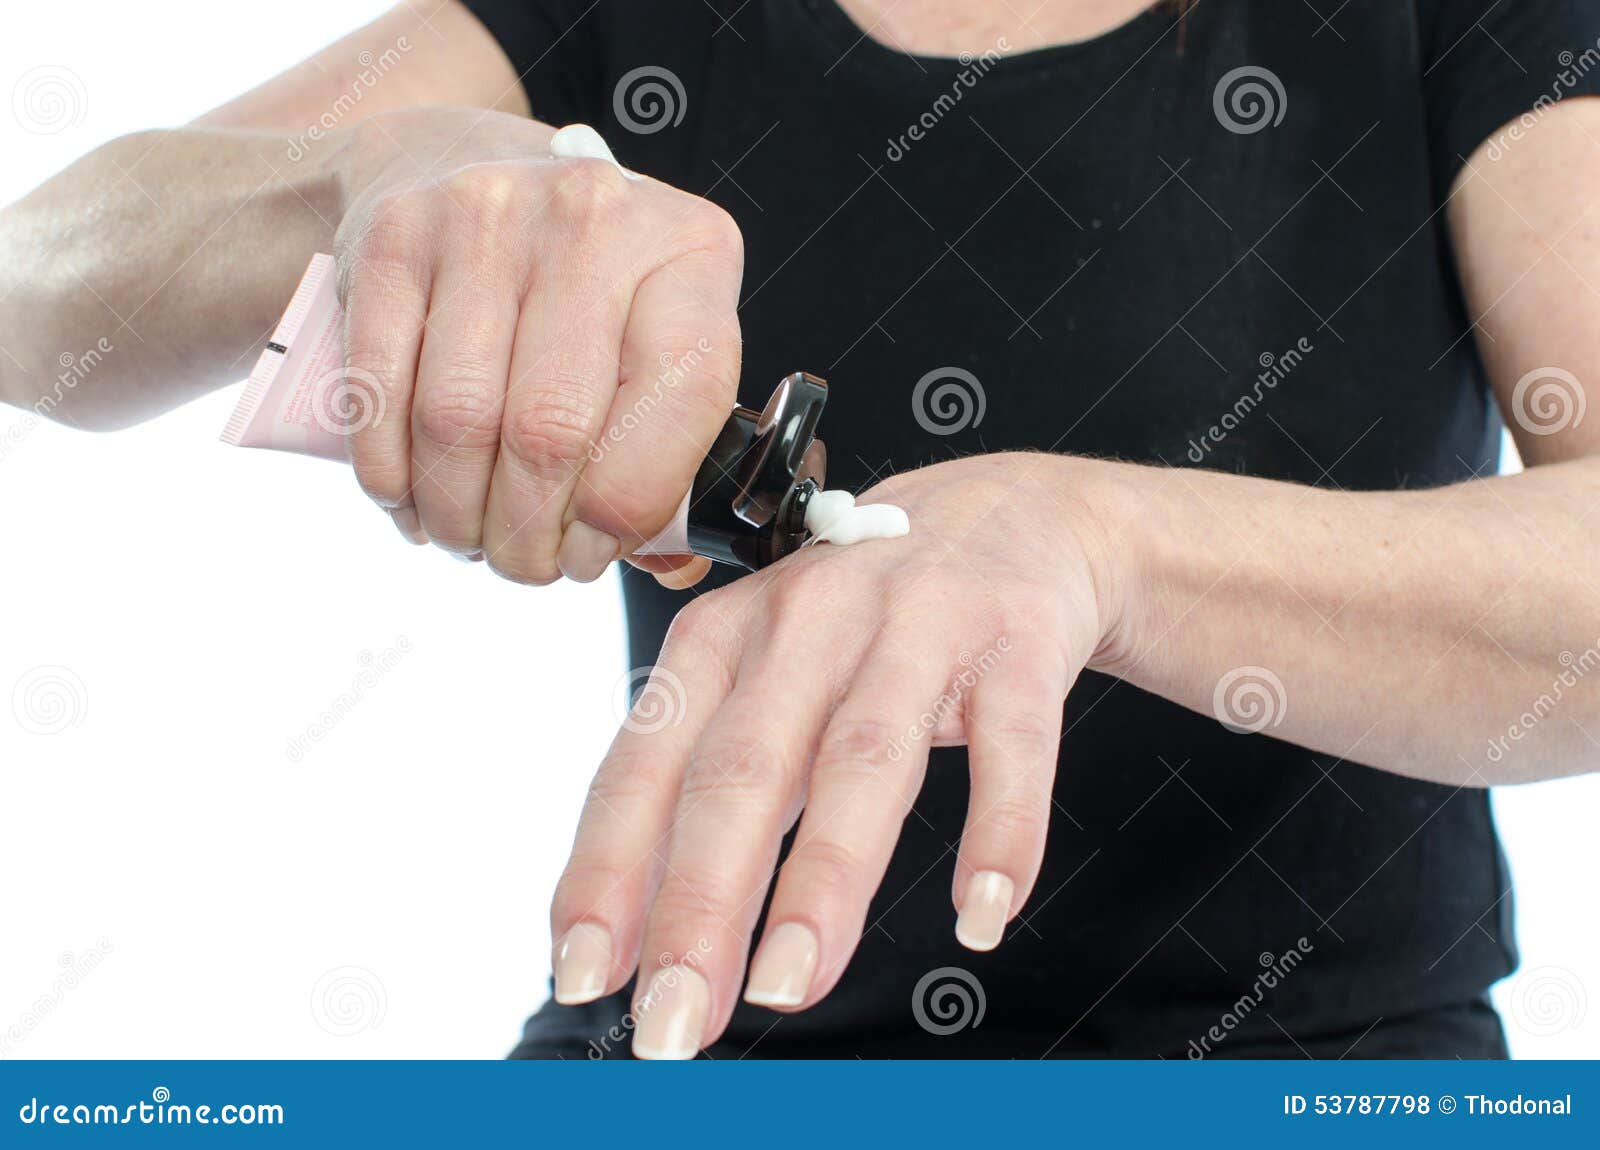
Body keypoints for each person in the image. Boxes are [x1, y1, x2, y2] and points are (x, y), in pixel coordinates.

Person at [4, 0, 1598, 1059]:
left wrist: (1098, 544)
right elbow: (31, 288)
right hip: (688, 1040)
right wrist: (360, 179)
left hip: (1315, 1060)